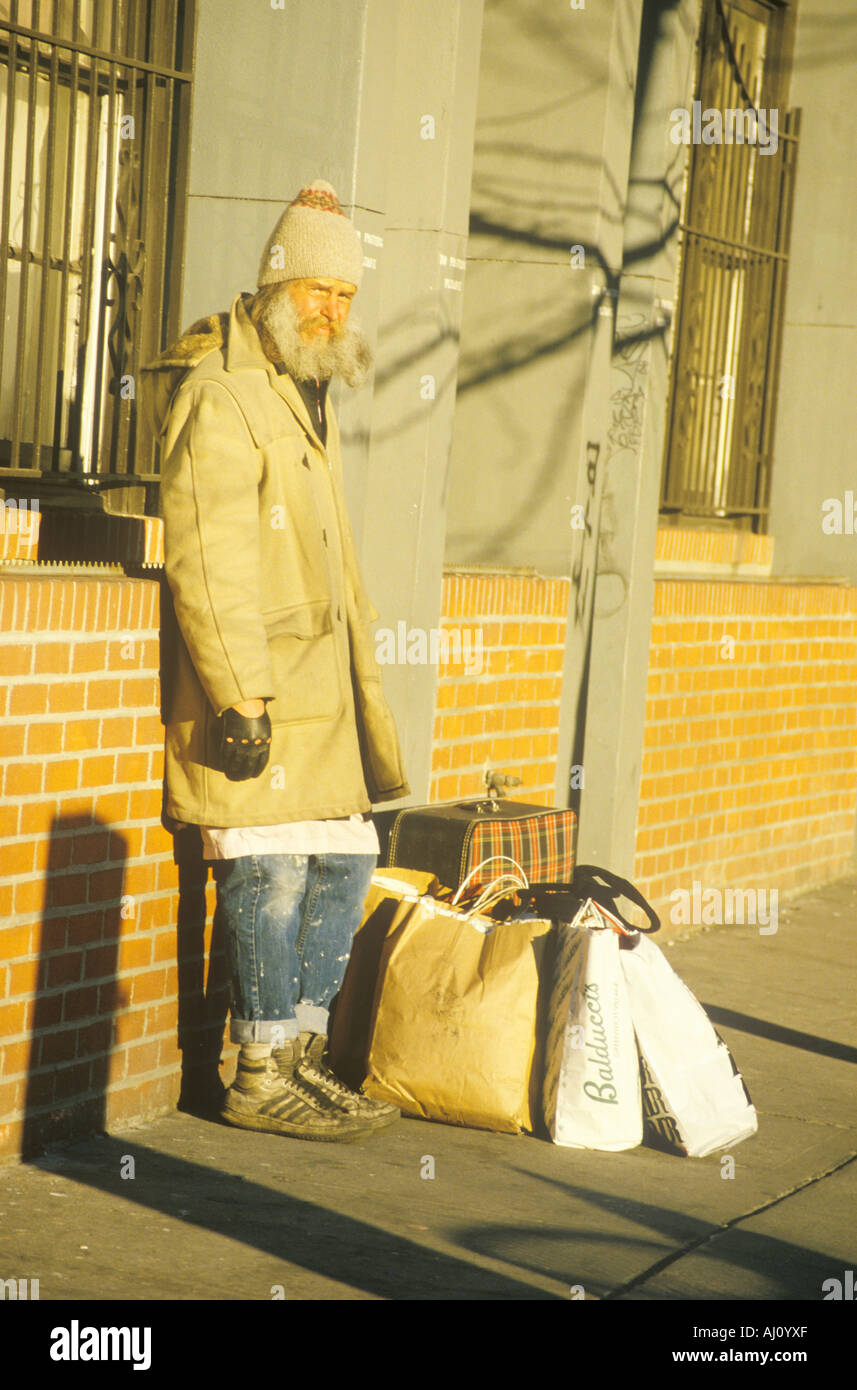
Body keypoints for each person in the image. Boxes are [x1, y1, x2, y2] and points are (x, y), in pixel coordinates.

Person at [143, 180, 409, 1142]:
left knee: (344, 858)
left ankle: (298, 1051)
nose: (331, 311)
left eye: (343, 295)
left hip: (320, 688)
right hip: (261, 688)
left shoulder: (303, 384)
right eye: (313, 290)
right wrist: (239, 697)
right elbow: (208, 555)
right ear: (273, 286)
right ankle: (255, 1071)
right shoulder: (223, 389)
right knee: (269, 869)